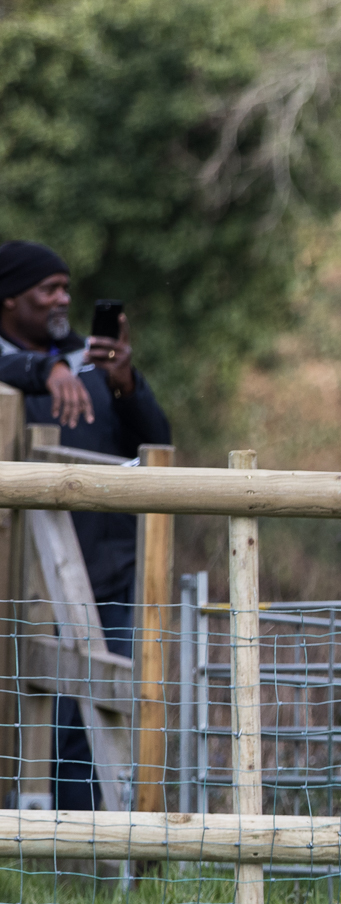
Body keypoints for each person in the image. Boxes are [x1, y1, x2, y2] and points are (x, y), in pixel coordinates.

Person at [0, 241, 173, 811]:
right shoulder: (23, 366)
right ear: (9, 301)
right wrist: (40, 370)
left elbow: (157, 441)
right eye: (47, 289)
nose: (62, 299)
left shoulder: (90, 362)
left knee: (108, 707)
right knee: (33, 716)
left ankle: (104, 862)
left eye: (66, 287)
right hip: (27, 581)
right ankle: (47, 862)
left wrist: (125, 382)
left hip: (109, 570)